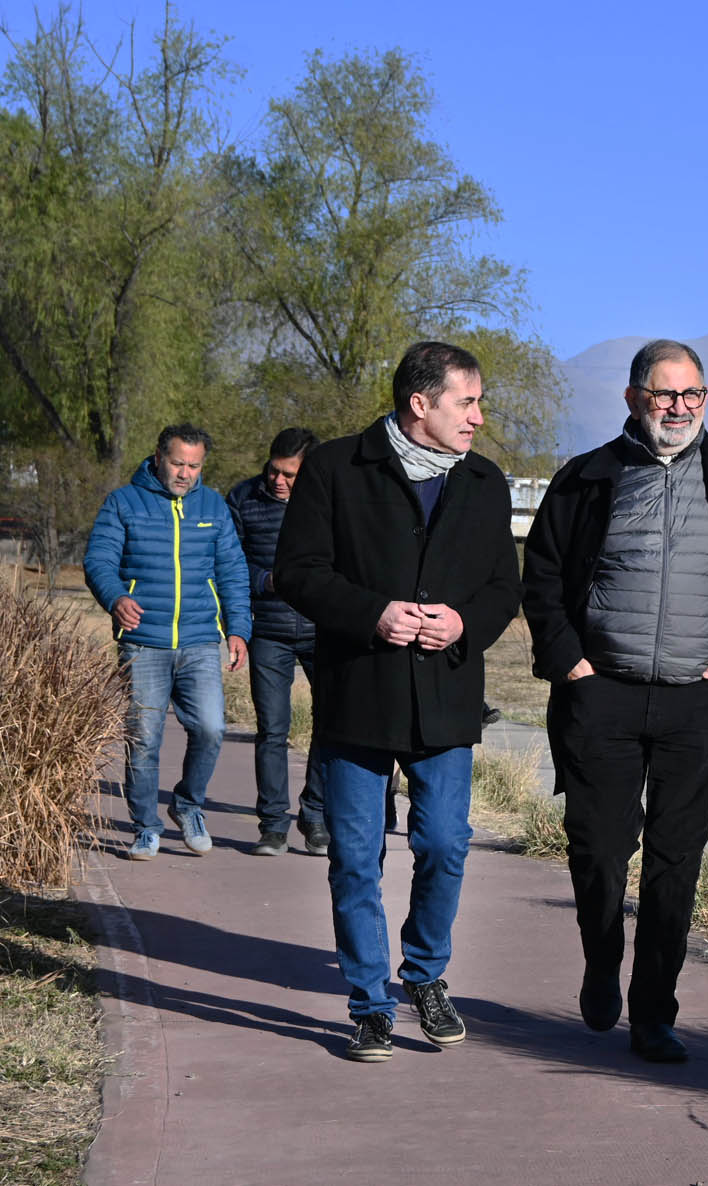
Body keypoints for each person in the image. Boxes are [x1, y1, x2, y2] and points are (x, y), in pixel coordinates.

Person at [522, 338, 708, 1063]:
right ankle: (599, 959)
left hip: (698, 699)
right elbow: (543, 576)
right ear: (632, 399)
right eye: (662, 395)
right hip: (602, 695)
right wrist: (570, 664)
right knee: (596, 851)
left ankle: (653, 1012)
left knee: (675, 862)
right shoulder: (586, 477)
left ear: (705, 400)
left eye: (691, 396)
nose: (677, 409)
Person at [276, 341, 520, 1062]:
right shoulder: (333, 469)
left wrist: (465, 622)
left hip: (446, 698)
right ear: (421, 404)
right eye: (466, 402)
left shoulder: (483, 481)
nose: (478, 416)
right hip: (359, 692)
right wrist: (371, 613)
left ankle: (424, 976)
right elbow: (295, 573)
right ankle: (369, 1003)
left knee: (444, 844)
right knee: (355, 857)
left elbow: (505, 588)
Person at [83, 424, 251, 860]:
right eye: (178, 463)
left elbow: (232, 571)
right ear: (158, 456)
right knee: (144, 738)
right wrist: (116, 597)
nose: (185, 473)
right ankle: (146, 827)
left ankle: (189, 805)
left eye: (194, 465)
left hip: (199, 640)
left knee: (212, 729)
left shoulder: (213, 506)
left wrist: (238, 629)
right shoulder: (124, 502)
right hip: (143, 642)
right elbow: (99, 559)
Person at [226, 428, 329, 857]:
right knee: (272, 730)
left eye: (289, 474)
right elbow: (228, 561)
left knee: (332, 725)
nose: (278, 480)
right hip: (268, 631)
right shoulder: (243, 498)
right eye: (273, 470)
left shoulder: (328, 498)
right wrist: (264, 580)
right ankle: (272, 825)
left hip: (324, 630)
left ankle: (315, 815)